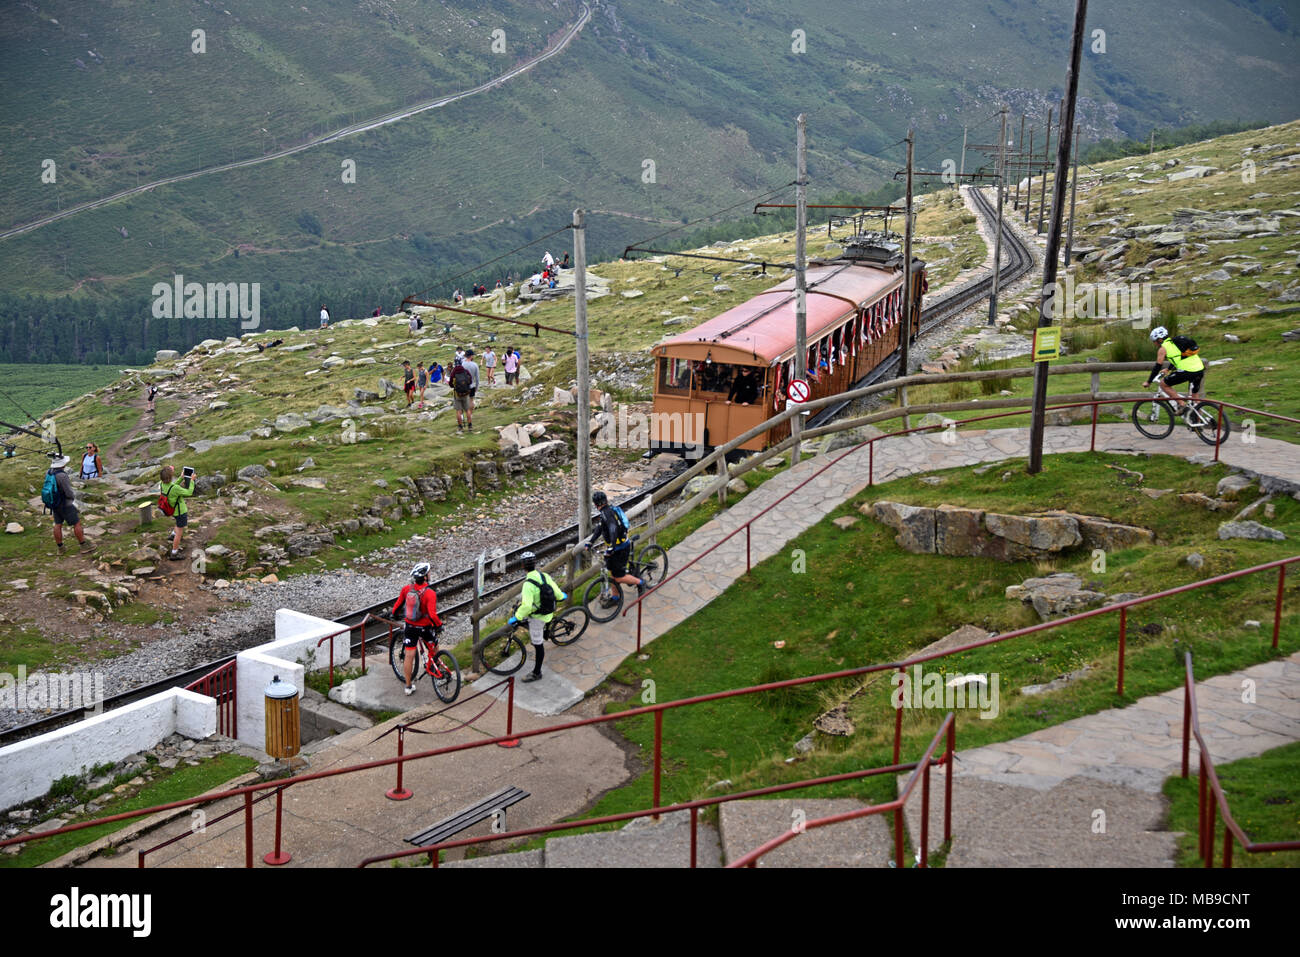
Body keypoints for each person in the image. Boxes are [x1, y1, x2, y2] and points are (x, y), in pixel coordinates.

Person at [507, 551, 566, 683]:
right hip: (549, 611)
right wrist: (562, 597)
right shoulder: (544, 575)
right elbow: (557, 592)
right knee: (541, 627)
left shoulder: (528, 584)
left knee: (538, 645)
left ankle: (537, 672)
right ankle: (546, 631)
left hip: (538, 618)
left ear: (523, 566)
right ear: (535, 563)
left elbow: (527, 606)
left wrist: (517, 617)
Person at [582, 490, 646, 604]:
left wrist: (612, 546)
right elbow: (599, 529)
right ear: (605, 501)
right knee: (612, 573)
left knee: (619, 577)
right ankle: (616, 597)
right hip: (615, 547)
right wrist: (590, 542)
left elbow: (613, 529)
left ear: (596, 504)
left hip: (621, 548)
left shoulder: (607, 513)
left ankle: (641, 583)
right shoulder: (605, 512)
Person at [391, 562, 444, 696]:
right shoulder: (430, 593)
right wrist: (439, 625)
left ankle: (408, 686)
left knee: (409, 656)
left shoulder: (406, 589)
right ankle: (437, 671)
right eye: (429, 573)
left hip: (410, 627)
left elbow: (397, 606)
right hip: (425, 627)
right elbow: (432, 615)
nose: (430, 574)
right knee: (434, 647)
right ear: (425, 577)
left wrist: (394, 615)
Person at [1144, 325, 1206, 415]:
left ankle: (1182, 404)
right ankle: (1199, 423)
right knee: (1194, 396)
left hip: (1187, 371)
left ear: (1160, 339)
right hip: (1200, 370)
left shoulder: (1163, 348)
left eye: (1154, 341)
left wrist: (1149, 382)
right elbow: (1178, 358)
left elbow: (1157, 366)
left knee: (1163, 384)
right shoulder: (1176, 343)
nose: (1154, 343)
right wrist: (1168, 369)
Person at [45, 455, 93, 555]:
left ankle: (60, 548)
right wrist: (73, 498)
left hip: (54, 503)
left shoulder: (49, 472)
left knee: (58, 524)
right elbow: (68, 492)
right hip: (65, 504)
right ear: (63, 463)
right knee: (76, 523)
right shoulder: (62, 475)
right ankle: (84, 545)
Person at [159, 464, 195, 560]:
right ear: (170, 477)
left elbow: (172, 486)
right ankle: (174, 553)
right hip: (180, 511)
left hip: (172, 510)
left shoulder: (162, 484)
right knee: (180, 531)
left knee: (178, 524)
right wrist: (191, 481)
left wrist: (180, 478)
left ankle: (173, 535)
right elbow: (189, 492)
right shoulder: (175, 489)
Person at [450, 358, 474, 431]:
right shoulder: (465, 371)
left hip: (457, 394)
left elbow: (450, 384)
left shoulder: (453, 372)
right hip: (466, 393)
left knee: (458, 411)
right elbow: (470, 381)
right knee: (467, 410)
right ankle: (470, 426)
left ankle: (460, 427)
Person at [461, 348, 481, 418]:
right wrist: (477, 387)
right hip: (472, 385)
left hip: (463, 386)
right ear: (471, 356)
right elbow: (477, 377)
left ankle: (463, 415)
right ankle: (470, 414)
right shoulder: (475, 365)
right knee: (471, 400)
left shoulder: (462, 364)